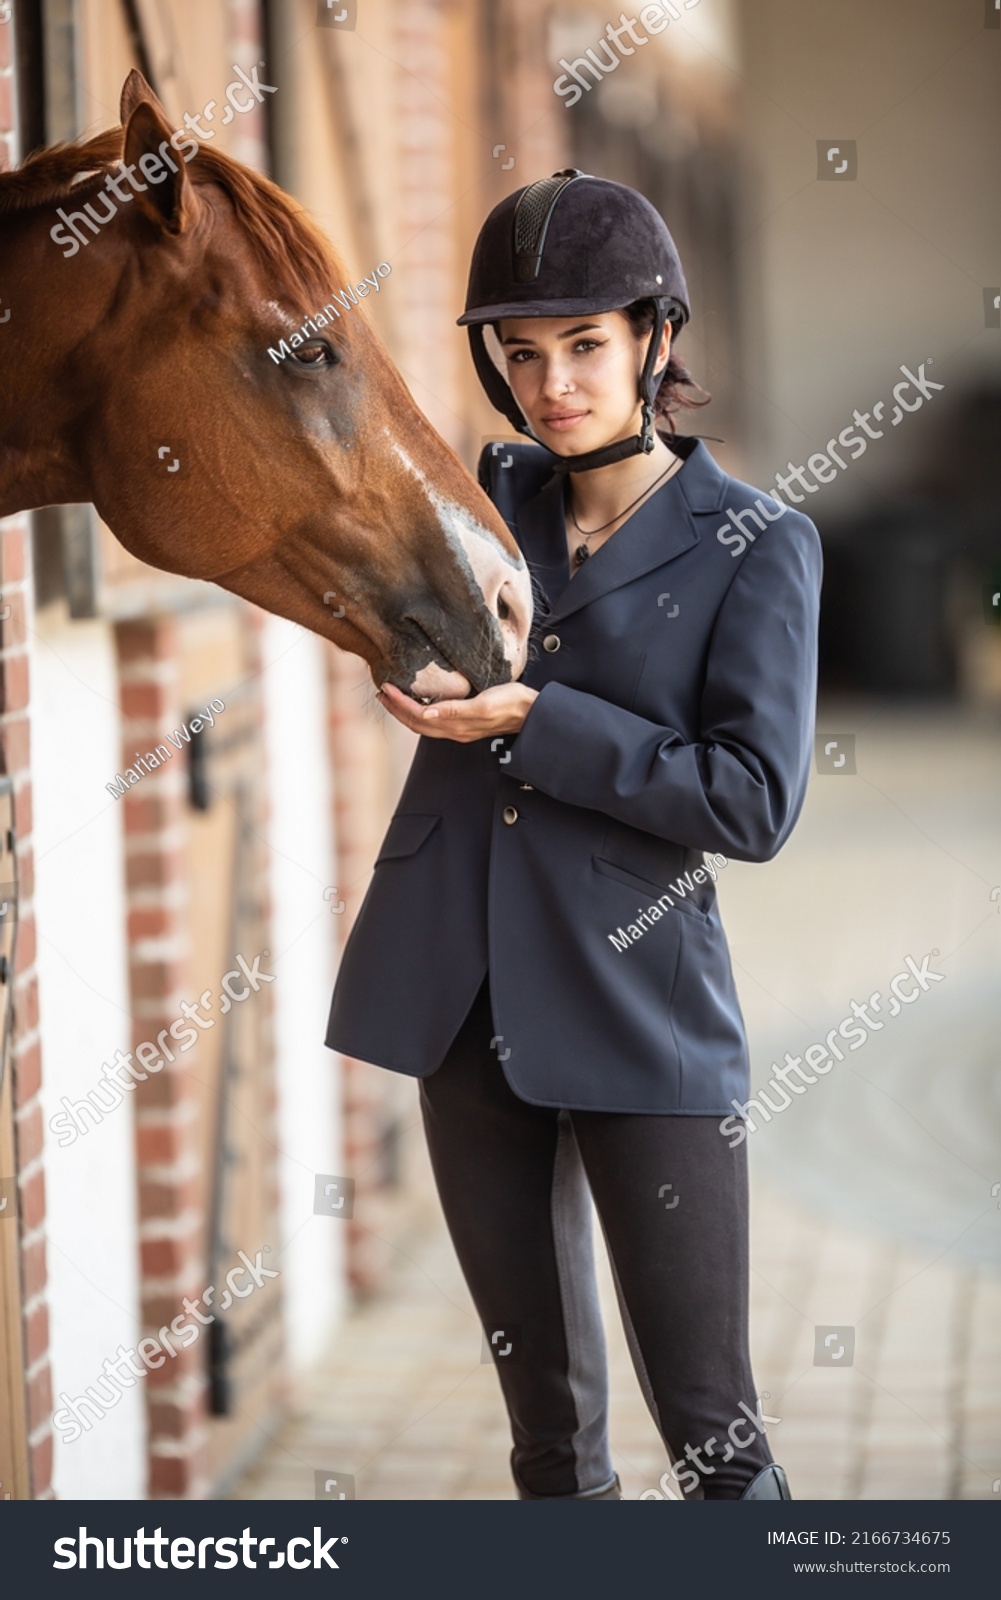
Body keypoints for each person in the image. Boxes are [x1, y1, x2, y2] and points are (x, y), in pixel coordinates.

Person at [326, 169, 822, 1501]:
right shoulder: (484, 504)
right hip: (456, 993)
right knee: (546, 1447)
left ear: (655, 337)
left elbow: (751, 800)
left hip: (635, 1009)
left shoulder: (757, 544)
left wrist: (538, 718)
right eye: (522, 353)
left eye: (585, 346)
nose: (552, 384)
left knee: (717, 1445)